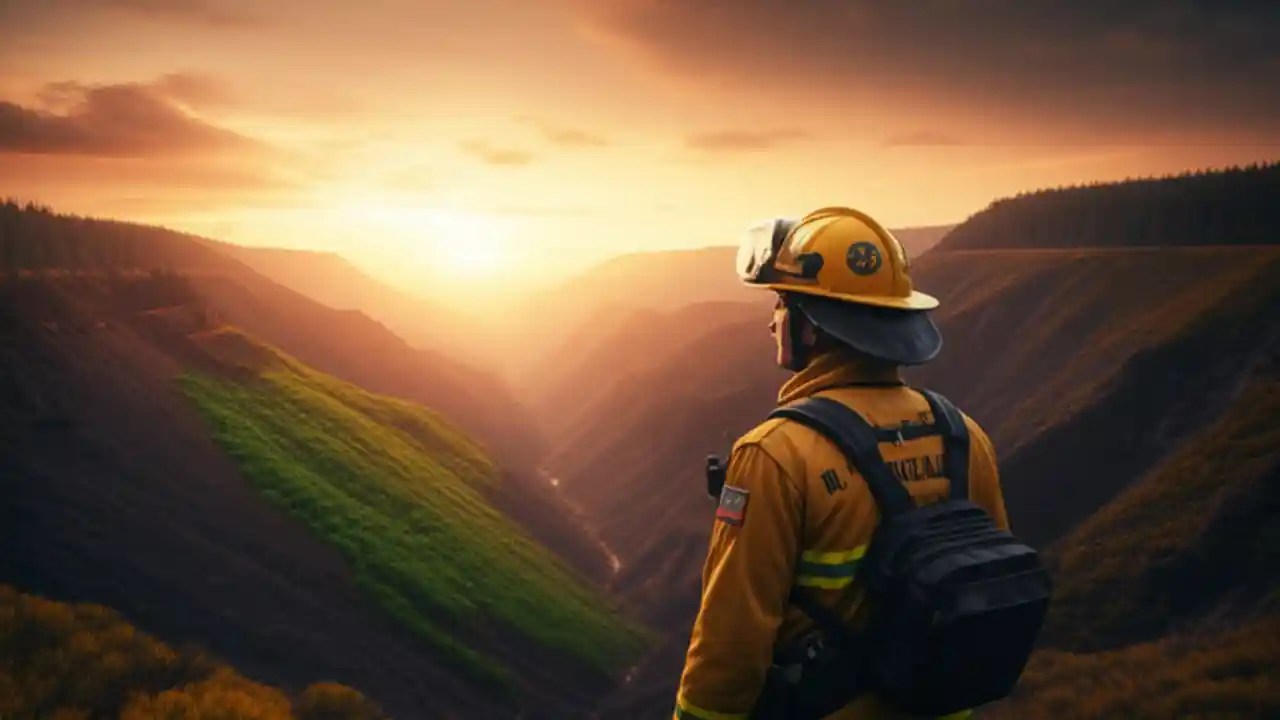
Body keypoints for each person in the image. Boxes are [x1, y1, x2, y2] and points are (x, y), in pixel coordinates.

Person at [673, 207, 1010, 720]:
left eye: (783, 302)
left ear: (812, 327)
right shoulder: (965, 437)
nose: (773, 320)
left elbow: (731, 643)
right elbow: (987, 599)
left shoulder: (775, 455)